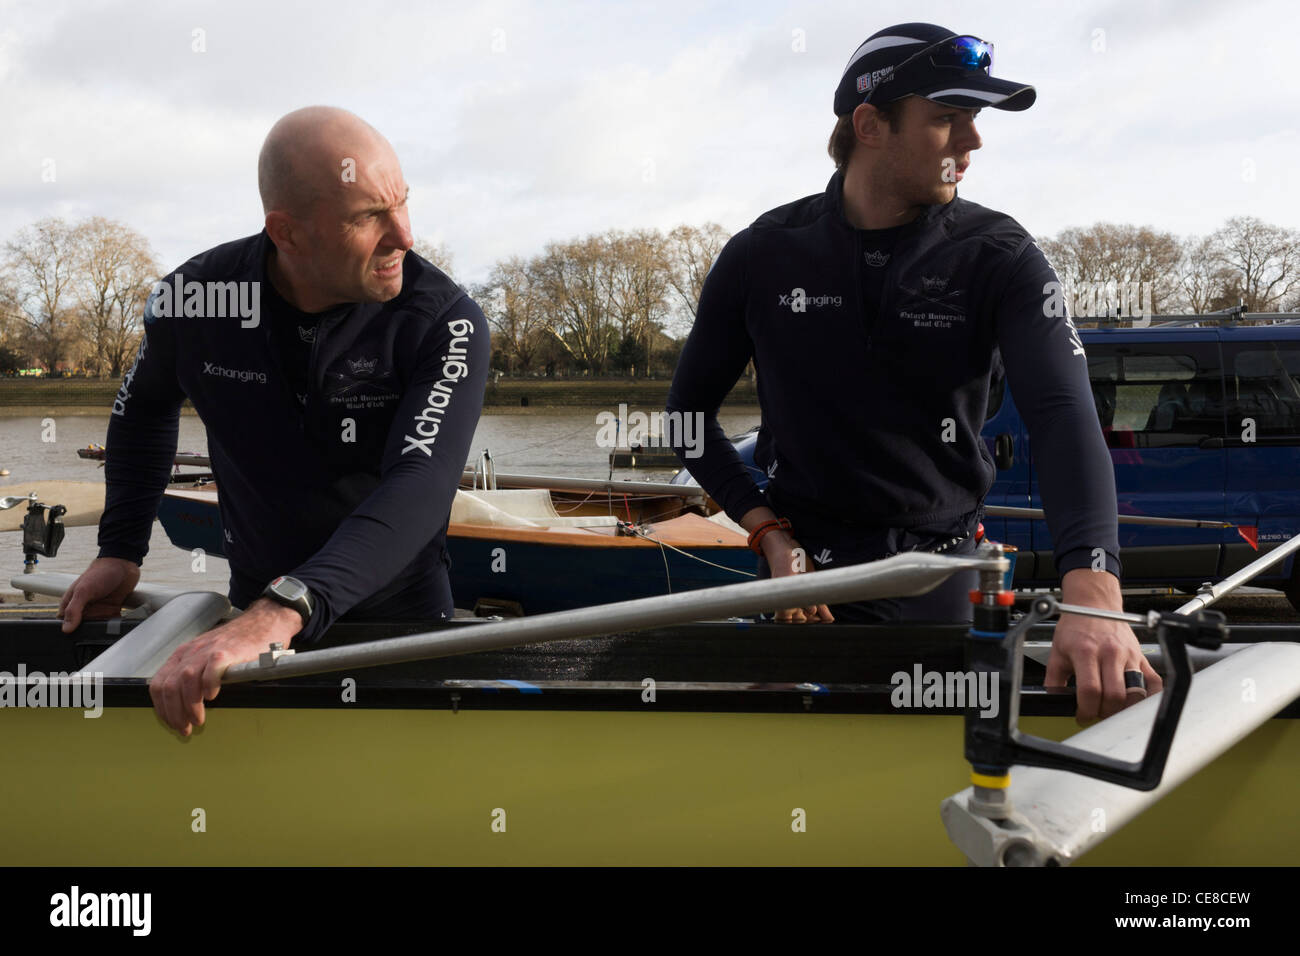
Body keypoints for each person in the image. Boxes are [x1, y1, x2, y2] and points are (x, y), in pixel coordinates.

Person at [666, 23, 1161, 723]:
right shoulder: (762, 255)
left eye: (975, 120)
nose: (973, 140)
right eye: (946, 119)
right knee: (790, 785)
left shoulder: (1001, 256)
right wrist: (769, 536)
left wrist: (1095, 589)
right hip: (796, 584)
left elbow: (1061, 413)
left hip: (938, 576)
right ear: (870, 125)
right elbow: (686, 417)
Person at [58, 107, 489, 736]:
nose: (405, 235)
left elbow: (420, 485)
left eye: (402, 204)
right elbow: (145, 408)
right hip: (252, 627)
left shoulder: (444, 320)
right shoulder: (196, 300)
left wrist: (287, 606)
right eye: (369, 216)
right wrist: (121, 549)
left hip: (400, 628)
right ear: (287, 233)